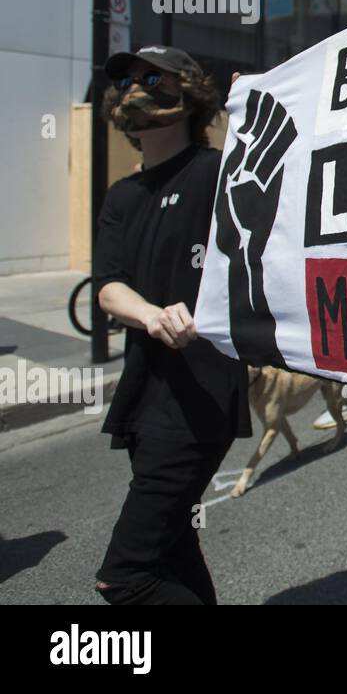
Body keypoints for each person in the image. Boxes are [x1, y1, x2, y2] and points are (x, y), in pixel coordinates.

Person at [93, 46, 252, 605]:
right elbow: (108, 284)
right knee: (174, 546)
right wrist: (151, 314)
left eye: (151, 77)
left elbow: (268, 190)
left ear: (187, 96)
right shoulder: (120, 195)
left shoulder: (214, 173)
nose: (134, 87)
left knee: (126, 578)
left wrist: (246, 111)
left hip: (198, 395)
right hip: (143, 391)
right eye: (127, 79)